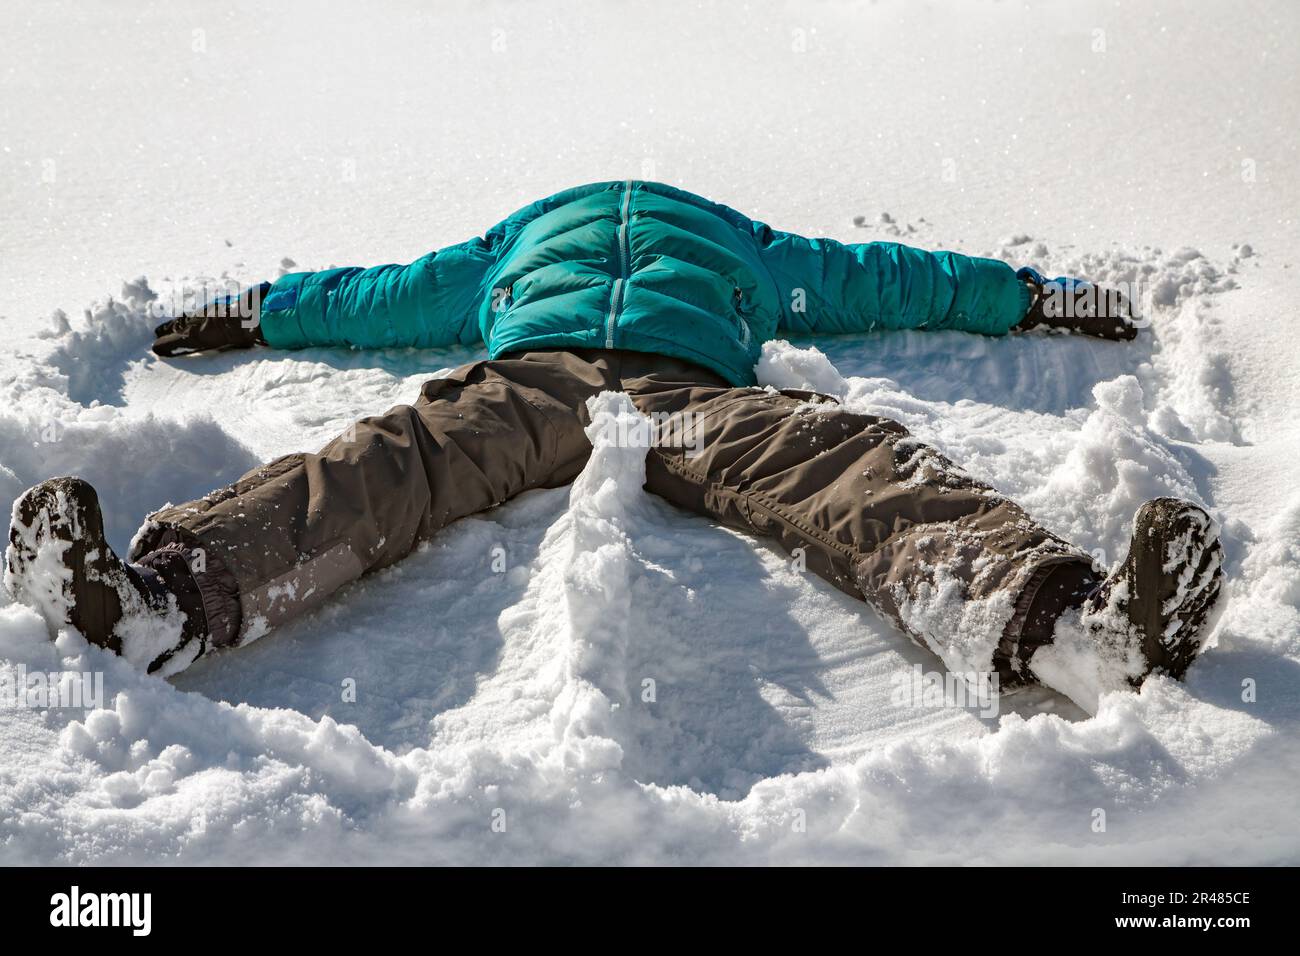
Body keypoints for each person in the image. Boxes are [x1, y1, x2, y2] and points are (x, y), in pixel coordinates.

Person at [4, 180, 1222, 714]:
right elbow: (379, 294)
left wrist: (1030, 295)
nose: (629, 200)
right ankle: (159, 602)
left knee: (845, 463)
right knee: (396, 459)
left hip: (698, 390)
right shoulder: (513, 244)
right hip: (531, 380)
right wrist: (256, 309)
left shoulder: (745, 243)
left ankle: (1072, 630)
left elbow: (893, 275)